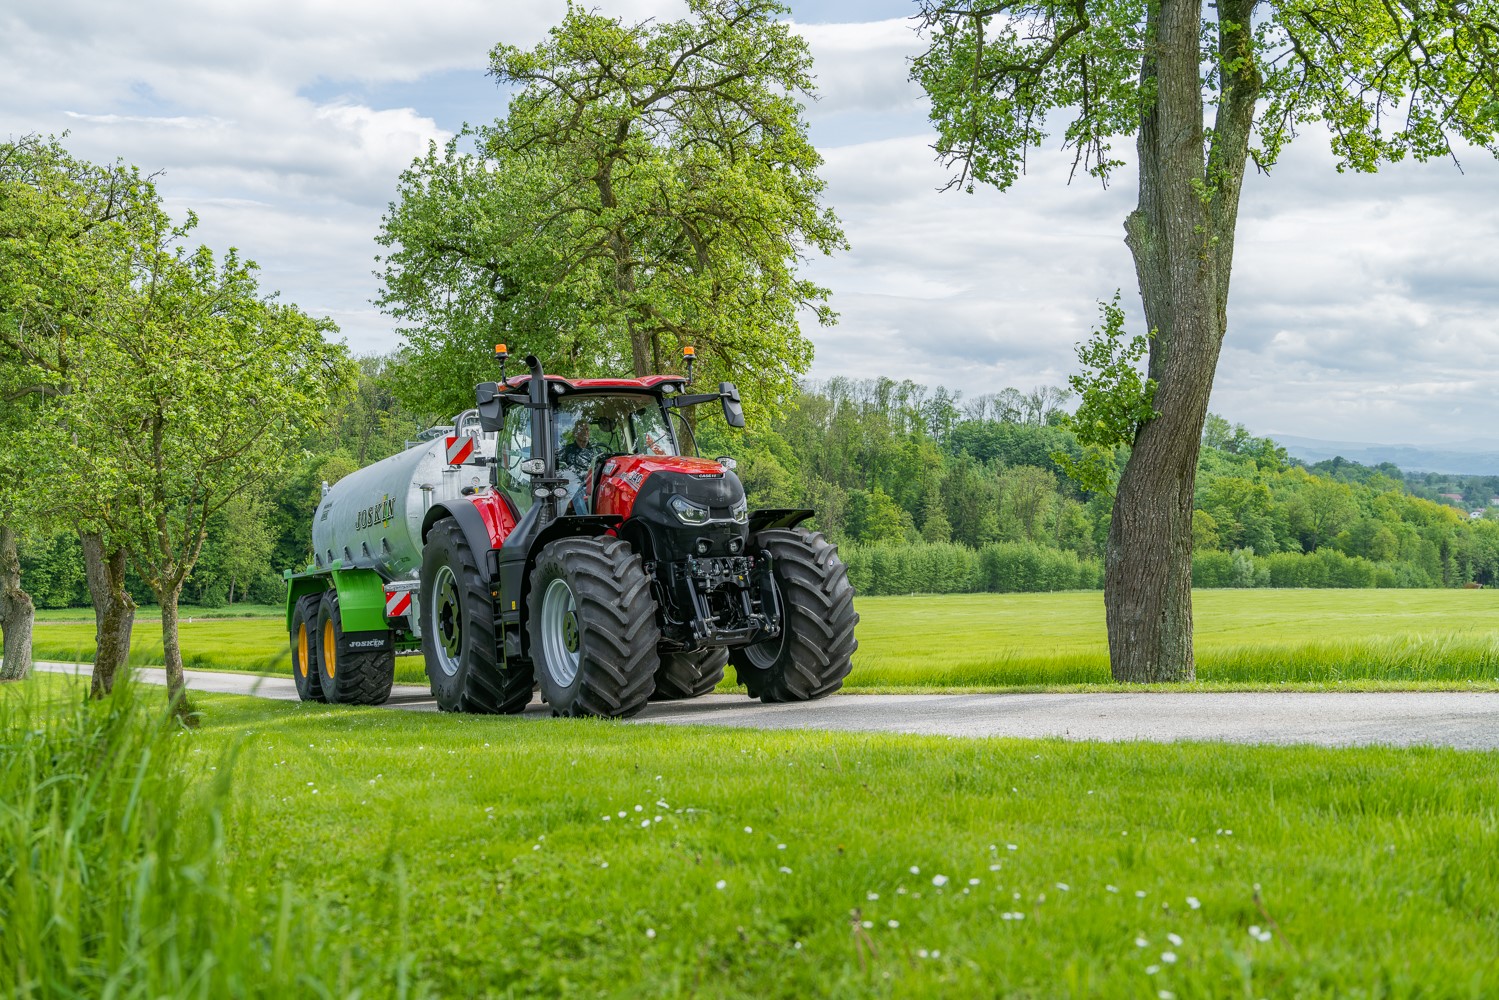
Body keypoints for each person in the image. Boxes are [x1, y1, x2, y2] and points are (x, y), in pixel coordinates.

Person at [558, 419, 601, 513]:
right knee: (575, 488)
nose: (585, 432)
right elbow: (558, 468)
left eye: (587, 429)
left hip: (593, 485)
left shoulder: (596, 451)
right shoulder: (567, 450)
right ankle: (586, 520)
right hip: (575, 486)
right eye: (581, 429)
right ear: (575, 433)